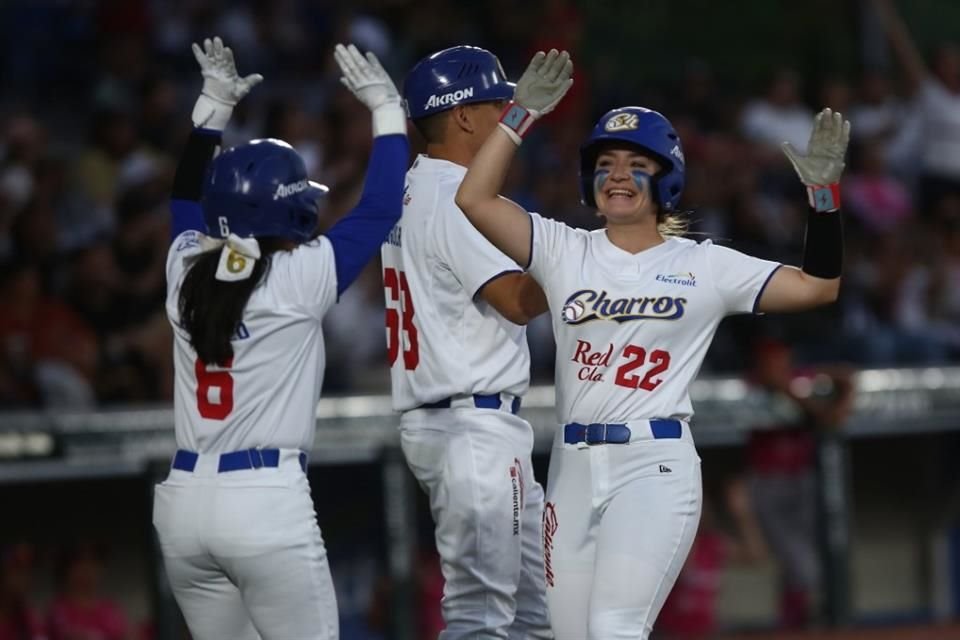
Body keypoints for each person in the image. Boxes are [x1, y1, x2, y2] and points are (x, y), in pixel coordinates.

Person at [455, 49, 850, 639]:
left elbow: (818, 286)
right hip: (571, 467)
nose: (618, 175)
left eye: (636, 164)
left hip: (653, 462)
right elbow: (474, 200)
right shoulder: (565, 249)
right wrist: (520, 117)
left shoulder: (704, 265)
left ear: (667, 180)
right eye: (606, 163)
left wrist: (823, 196)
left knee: (615, 627)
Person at [151, 38, 408, 640]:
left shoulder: (183, 266)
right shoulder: (298, 276)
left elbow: (184, 197)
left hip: (183, 502)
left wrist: (212, 111)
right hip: (262, 500)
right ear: (290, 211)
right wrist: (388, 111)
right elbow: (380, 208)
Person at [383, 45, 551, 638]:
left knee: (537, 616)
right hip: (469, 427)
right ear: (462, 115)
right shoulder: (453, 196)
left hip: (460, 420)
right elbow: (517, 300)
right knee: (480, 620)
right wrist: (585, 263)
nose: (507, 112)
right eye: (496, 103)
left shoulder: (417, 187)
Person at [743, 337, 854, 629]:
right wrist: (794, 390)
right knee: (799, 561)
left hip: (801, 479)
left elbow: (835, 408)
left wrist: (843, 388)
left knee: (804, 559)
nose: (777, 365)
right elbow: (773, 383)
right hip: (768, 483)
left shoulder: (801, 380)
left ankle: (796, 622)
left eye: (782, 359)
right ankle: (798, 622)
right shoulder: (755, 382)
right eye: (771, 359)